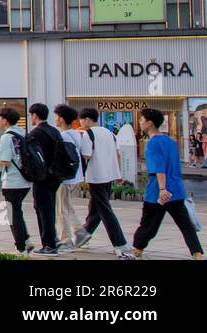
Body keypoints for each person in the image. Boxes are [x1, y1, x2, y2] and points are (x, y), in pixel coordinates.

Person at [130, 107, 203, 259]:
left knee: (149, 223)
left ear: (149, 123)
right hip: (176, 190)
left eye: (142, 120)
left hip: (158, 191)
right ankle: (196, 252)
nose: (140, 123)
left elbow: (159, 167)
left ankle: (137, 249)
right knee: (185, 224)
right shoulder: (170, 141)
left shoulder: (152, 143)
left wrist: (162, 189)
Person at [73, 107, 131, 257]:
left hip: (96, 176)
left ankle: (120, 243)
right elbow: (117, 154)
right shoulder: (110, 133)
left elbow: (86, 155)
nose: (80, 122)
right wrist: (118, 174)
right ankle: (82, 237)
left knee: (104, 210)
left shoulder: (88, 134)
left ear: (86, 119)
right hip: (109, 175)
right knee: (95, 209)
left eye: (81, 119)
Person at [24, 102, 65, 256]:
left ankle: (49, 245)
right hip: (55, 176)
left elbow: (30, 157)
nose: (30, 118)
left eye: (30, 115)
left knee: (43, 210)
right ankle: (51, 240)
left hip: (42, 178)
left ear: (35, 115)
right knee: (49, 209)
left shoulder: (36, 133)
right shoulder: (55, 131)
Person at [0, 106, 33, 255]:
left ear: (5, 120)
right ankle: (27, 241)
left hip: (12, 181)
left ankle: (20, 247)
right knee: (17, 211)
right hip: (26, 180)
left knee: (12, 214)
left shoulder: (6, 137)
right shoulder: (23, 133)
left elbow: (5, 161)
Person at [53, 104, 86, 251]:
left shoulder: (63, 136)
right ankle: (80, 233)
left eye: (57, 116)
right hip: (77, 176)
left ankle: (65, 241)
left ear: (61, 118)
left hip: (65, 178)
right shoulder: (76, 134)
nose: (55, 119)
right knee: (67, 206)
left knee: (61, 209)